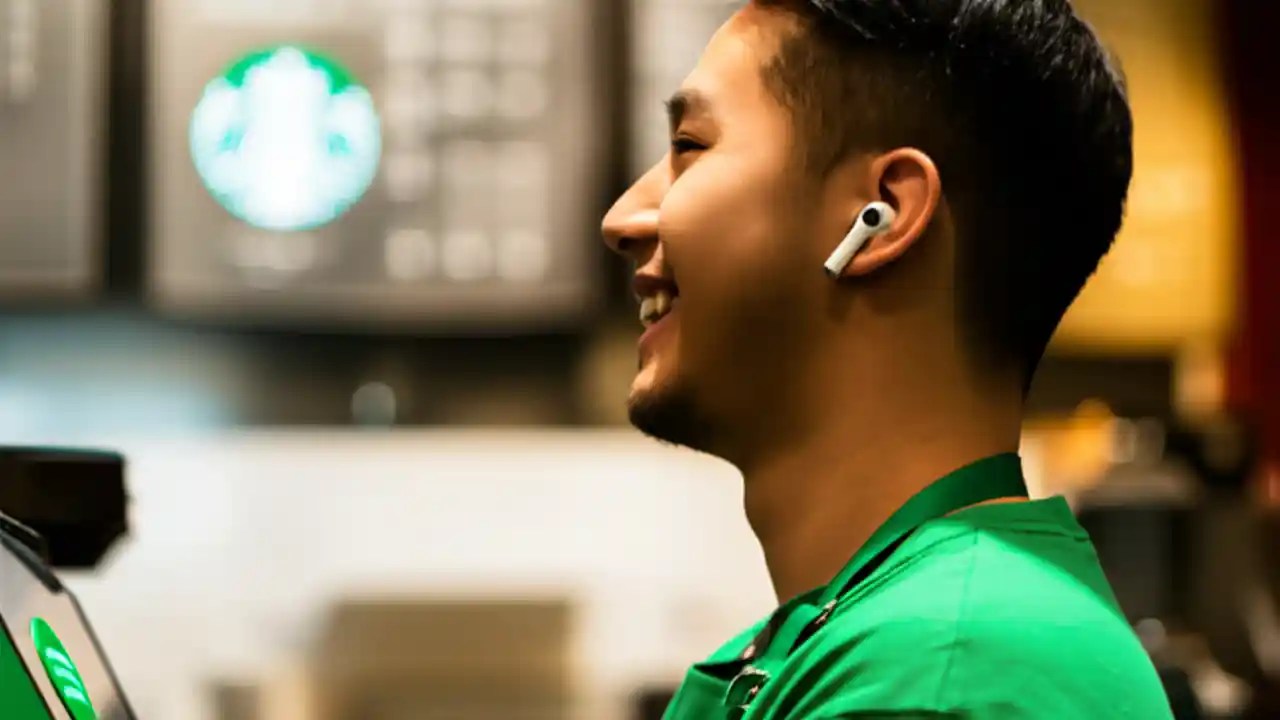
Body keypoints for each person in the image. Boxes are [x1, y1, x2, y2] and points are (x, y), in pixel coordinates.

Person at [601, 0, 1174, 718]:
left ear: (881, 215)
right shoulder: (894, 638)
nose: (623, 217)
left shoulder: (948, 670)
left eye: (691, 145)